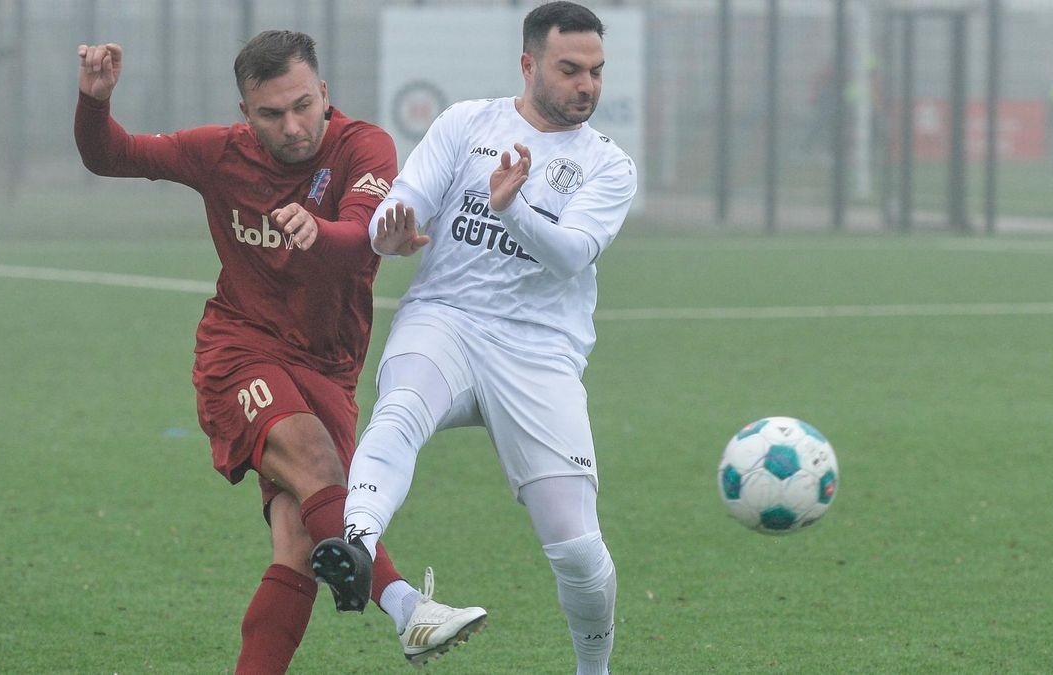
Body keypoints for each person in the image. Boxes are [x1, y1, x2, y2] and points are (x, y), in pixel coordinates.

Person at [73, 31, 485, 674]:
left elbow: (361, 240)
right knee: (317, 462)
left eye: (303, 106)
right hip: (240, 350)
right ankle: (408, 609)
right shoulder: (218, 153)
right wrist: (94, 102)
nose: (292, 126)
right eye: (271, 113)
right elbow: (110, 154)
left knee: (297, 545)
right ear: (246, 114)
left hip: (328, 370)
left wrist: (321, 232)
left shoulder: (364, 146)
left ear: (324, 93)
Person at [311, 3, 636, 674]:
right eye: (570, 69)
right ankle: (357, 543)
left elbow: (570, 254)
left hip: (539, 349)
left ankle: (593, 670)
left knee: (576, 547)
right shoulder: (466, 123)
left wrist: (510, 206)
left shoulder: (609, 165)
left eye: (597, 72)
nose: (587, 86)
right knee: (399, 409)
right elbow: (398, 212)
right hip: (447, 318)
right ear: (528, 64)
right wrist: (389, 235)